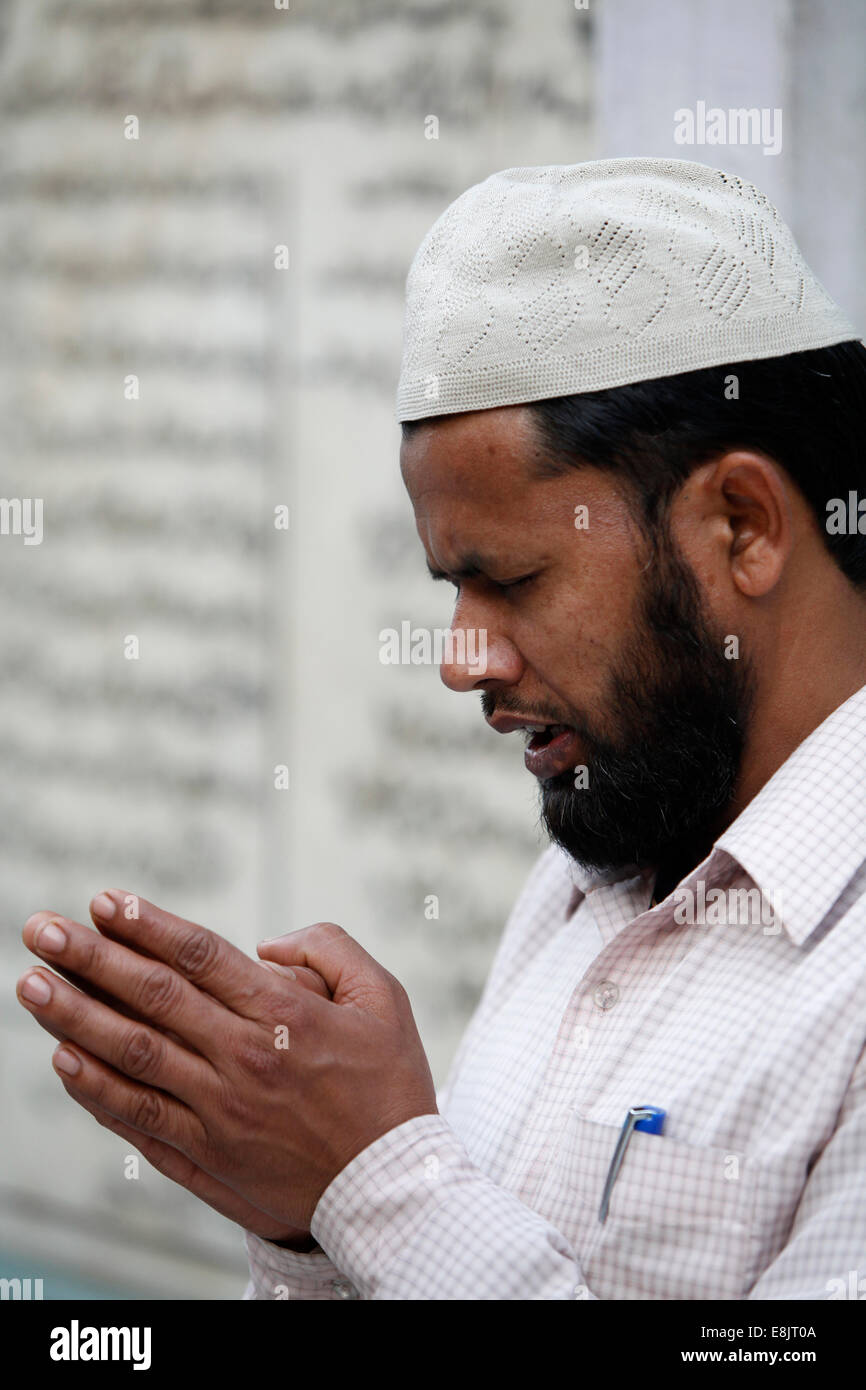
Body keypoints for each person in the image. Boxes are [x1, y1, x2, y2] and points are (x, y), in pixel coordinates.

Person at [16, 159, 866, 1299]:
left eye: (509, 578)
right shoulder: (598, 866)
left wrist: (372, 1177)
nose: (462, 659)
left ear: (741, 524)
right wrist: (313, 1221)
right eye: (449, 591)